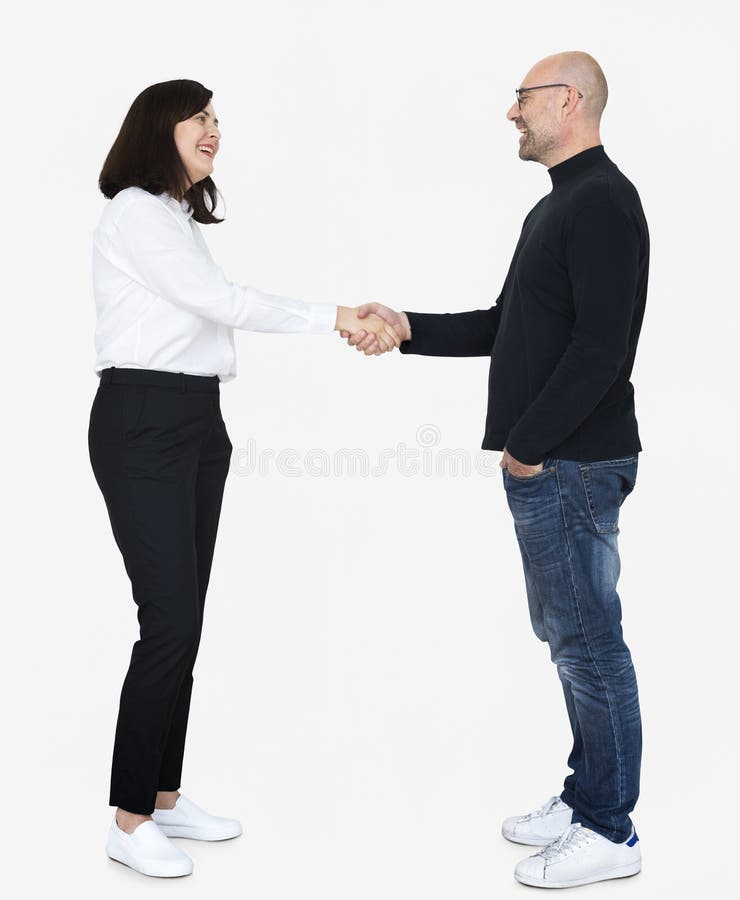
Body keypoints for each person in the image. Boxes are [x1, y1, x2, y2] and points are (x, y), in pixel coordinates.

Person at [343, 51, 649, 890]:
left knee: (591, 648)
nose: (510, 114)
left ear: (568, 99)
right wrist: (407, 327)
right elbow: (510, 323)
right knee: (569, 641)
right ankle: (588, 794)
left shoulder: (602, 202)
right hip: (555, 463)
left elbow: (599, 349)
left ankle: (610, 832)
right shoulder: (560, 207)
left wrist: (528, 446)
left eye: (521, 99)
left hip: (572, 465)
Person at [89, 79, 402, 879]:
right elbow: (217, 302)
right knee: (167, 621)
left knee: (184, 620)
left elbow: (207, 306)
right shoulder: (132, 209)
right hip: (144, 423)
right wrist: (336, 313)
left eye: (218, 118)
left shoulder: (173, 218)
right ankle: (127, 820)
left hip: (195, 421)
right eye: (199, 117)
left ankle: (162, 796)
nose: (214, 130)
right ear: (159, 127)